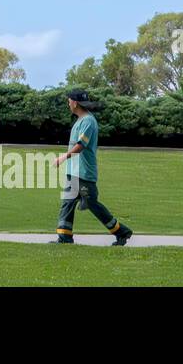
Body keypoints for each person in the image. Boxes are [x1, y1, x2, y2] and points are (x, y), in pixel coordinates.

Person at [52, 88, 132, 246]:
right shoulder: (80, 121)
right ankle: (64, 237)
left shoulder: (88, 121)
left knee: (92, 205)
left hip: (83, 174)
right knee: (67, 203)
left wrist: (63, 157)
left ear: (75, 103)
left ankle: (122, 232)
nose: (68, 103)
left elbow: (81, 145)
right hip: (74, 172)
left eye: (69, 100)